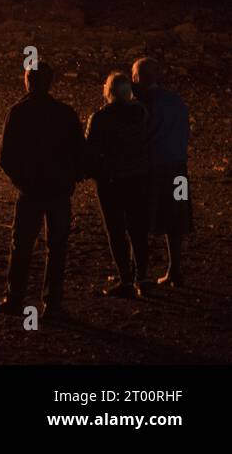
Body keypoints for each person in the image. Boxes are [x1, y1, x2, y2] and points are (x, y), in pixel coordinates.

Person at [0, 62, 83, 319]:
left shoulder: (19, 112)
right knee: (57, 247)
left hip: (31, 191)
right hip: (59, 191)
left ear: (28, 81)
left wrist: (22, 181)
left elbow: (6, 156)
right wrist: (70, 180)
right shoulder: (65, 113)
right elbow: (80, 152)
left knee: (21, 246)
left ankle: (14, 298)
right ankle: (52, 304)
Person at [84, 71, 151, 298]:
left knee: (116, 231)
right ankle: (142, 276)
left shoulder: (100, 118)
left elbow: (89, 151)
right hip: (139, 179)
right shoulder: (141, 114)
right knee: (138, 229)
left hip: (111, 181)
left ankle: (125, 279)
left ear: (108, 91)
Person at [132, 57, 192, 286]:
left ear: (137, 78)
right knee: (177, 218)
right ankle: (174, 269)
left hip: (155, 170)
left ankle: (139, 274)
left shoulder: (142, 104)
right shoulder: (176, 101)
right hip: (178, 168)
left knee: (142, 219)